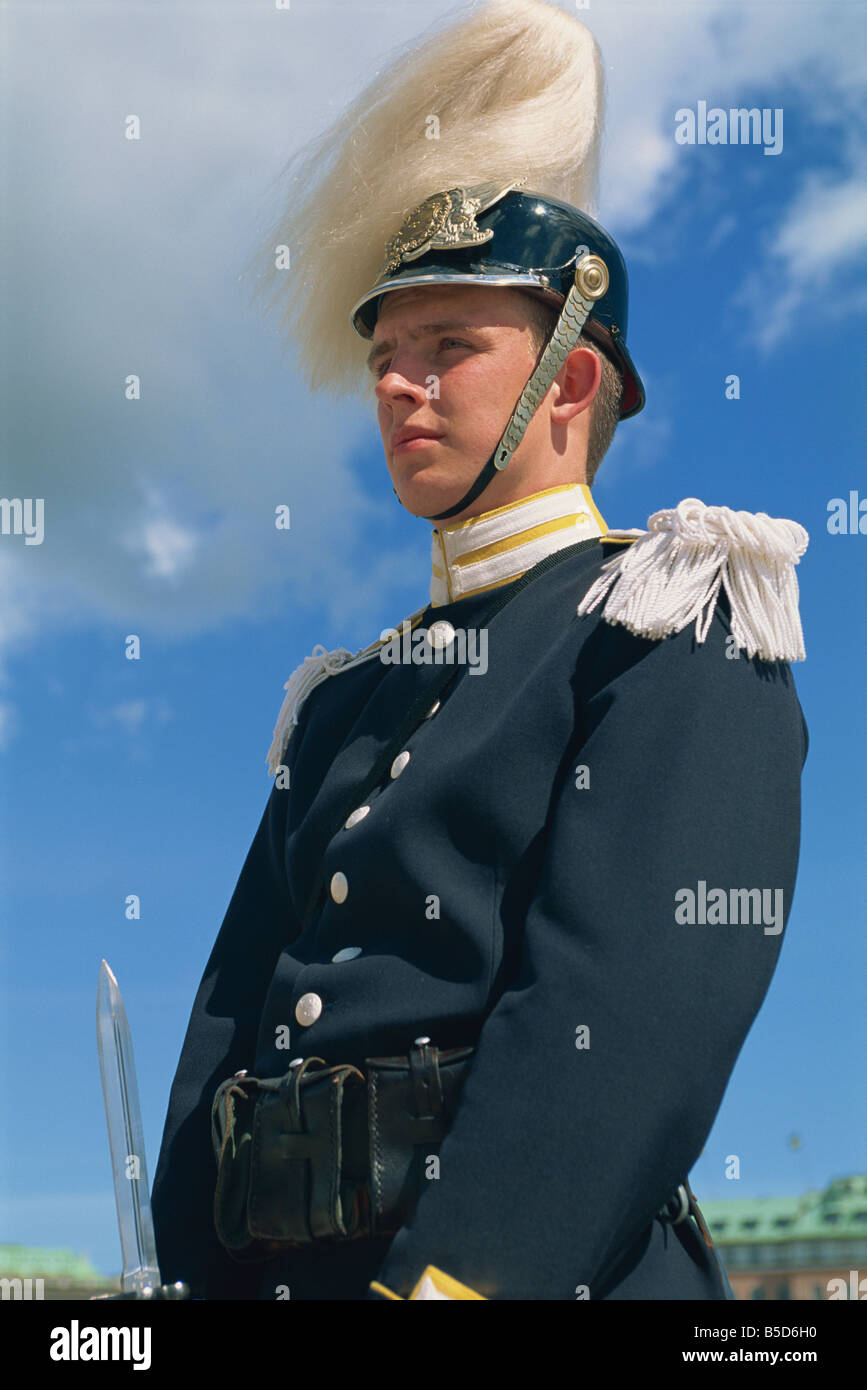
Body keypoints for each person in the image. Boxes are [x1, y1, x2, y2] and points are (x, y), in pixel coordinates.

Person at [150, 0, 808, 1301]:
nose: (397, 382)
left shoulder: (673, 616)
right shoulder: (346, 700)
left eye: (449, 346)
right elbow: (225, 1033)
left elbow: (628, 1016)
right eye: (389, 353)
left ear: (573, 380)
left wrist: (464, 1283)